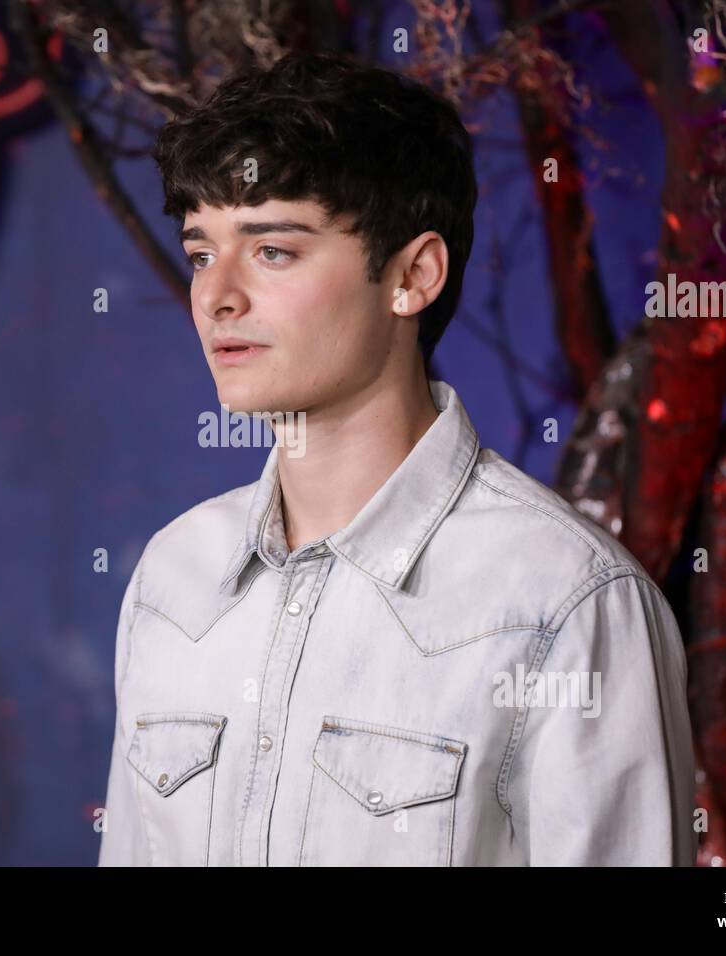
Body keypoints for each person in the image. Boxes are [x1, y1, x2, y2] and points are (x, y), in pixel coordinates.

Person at [97, 50, 695, 866]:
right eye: (203, 251)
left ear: (413, 275)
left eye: (273, 250)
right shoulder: (173, 582)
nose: (217, 295)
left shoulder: (564, 600)